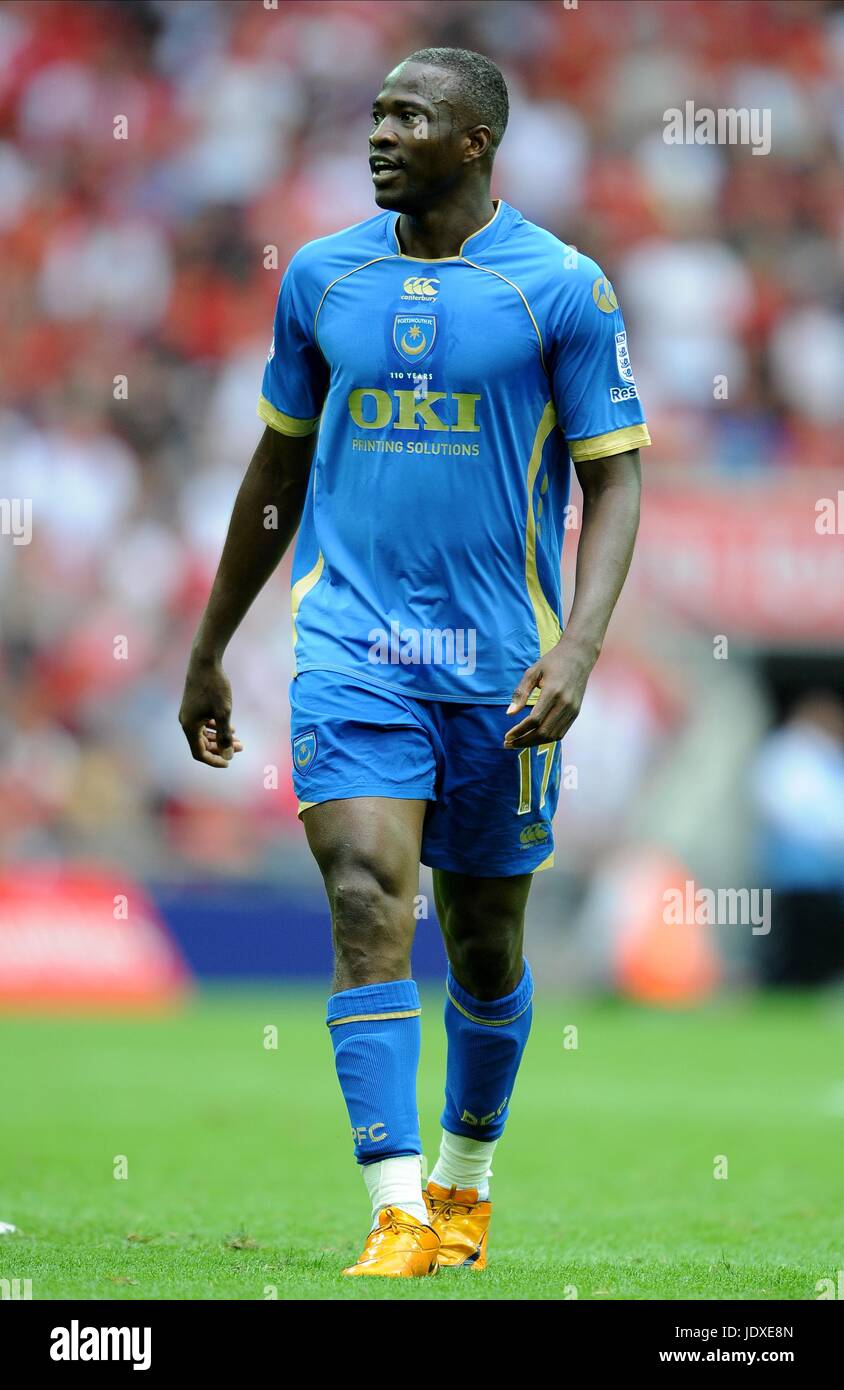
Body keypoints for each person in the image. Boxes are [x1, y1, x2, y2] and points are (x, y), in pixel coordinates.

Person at [179, 47, 649, 1278]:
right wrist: (212, 643)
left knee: (483, 942)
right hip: (354, 648)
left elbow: (615, 476)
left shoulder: (562, 288)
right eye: (377, 112)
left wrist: (581, 646)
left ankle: (463, 1185)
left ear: (476, 141)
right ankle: (393, 1210)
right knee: (362, 897)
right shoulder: (324, 278)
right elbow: (276, 470)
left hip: (503, 668)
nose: (379, 133)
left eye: (410, 116)